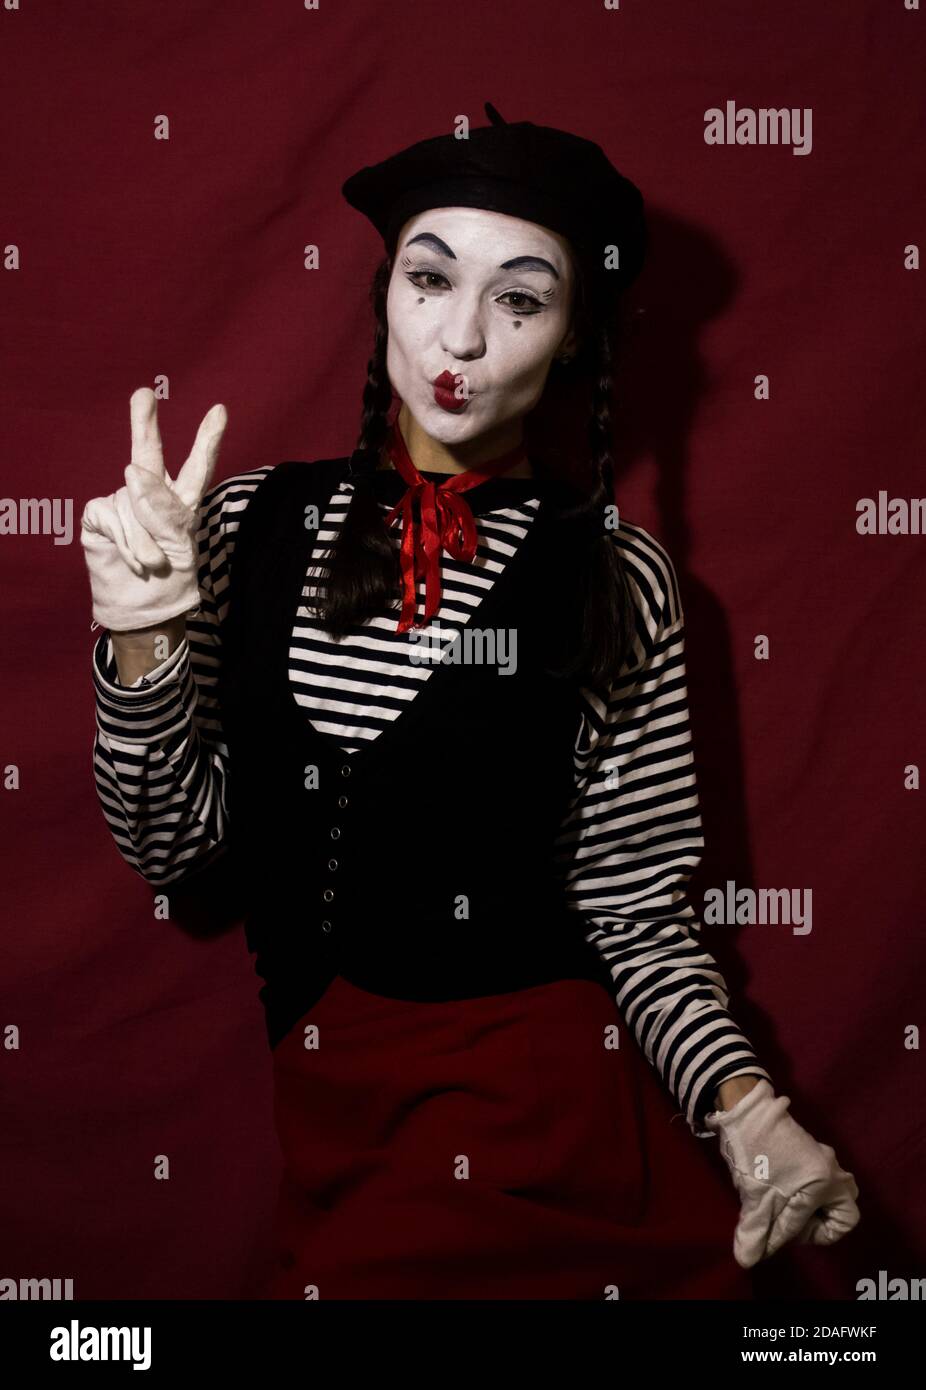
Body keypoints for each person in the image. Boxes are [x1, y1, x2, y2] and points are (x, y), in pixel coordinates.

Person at [80, 102, 859, 1300]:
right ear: (383, 295)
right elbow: (174, 850)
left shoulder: (616, 573)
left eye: (519, 297)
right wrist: (140, 643)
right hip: (333, 1117)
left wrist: (746, 1113)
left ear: (569, 341)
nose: (460, 334)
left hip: (540, 1113)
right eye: (428, 277)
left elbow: (632, 906)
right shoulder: (240, 525)